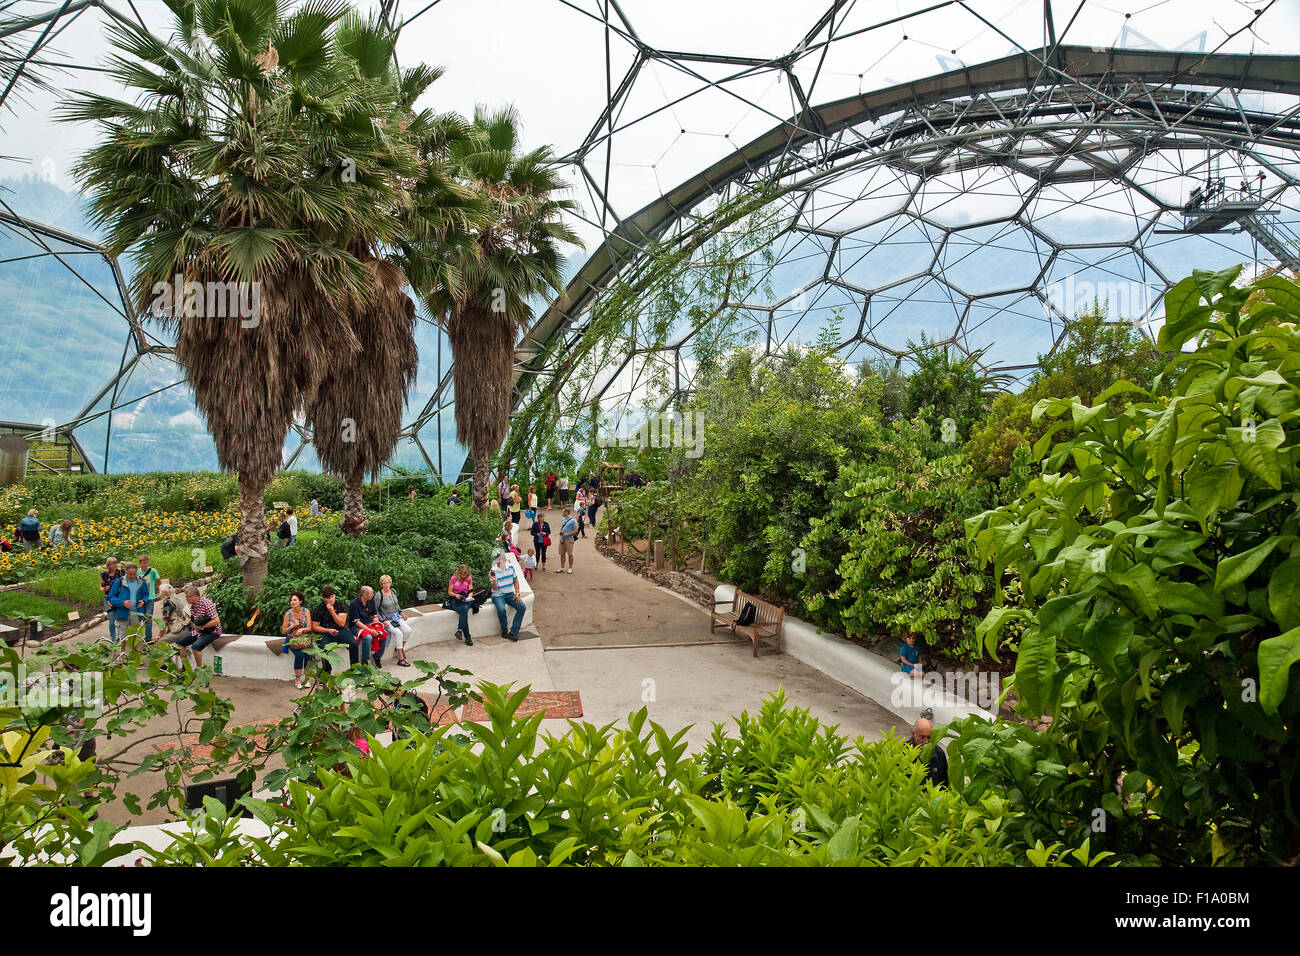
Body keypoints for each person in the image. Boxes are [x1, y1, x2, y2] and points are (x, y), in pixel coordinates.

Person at [312, 586, 359, 669]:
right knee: (323, 648)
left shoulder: (340, 605)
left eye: (332, 597)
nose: (331, 600)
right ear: (324, 599)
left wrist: (332, 611)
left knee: (353, 643)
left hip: (340, 631)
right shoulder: (319, 608)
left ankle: (355, 668)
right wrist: (328, 630)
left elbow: (341, 624)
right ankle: (327, 671)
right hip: (325, 633)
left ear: (334, 596)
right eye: (328, 598)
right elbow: (315, 627)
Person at [176, 586, 221, 667]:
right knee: (180, 643)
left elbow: (216, 621)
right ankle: (185, 667)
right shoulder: (193, 606)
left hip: (212, 632)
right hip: (199, 631)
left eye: (188, 597)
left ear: (196, 596)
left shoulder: (206, 604)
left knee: (196, 647)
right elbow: (194, 620)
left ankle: (199, 669)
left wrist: (202, 627)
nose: (186, 599)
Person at [108, 562, 151, 643]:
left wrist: (143, 601)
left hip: (137, 614)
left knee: (136, 639)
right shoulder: (119, 582)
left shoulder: (142, 581)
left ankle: (136, 654)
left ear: (137, 572)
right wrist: (122, 603)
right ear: (126, 572)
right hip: (122, 614)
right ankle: (121, 655)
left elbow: (146, 594)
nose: (132, 576)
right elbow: (111, 597)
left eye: (134, 574)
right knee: (122, 639)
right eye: (130, 574)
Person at [376, 574, 412, 667]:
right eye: (384, 583)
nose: (386, 585)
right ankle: (400, 659)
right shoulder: (379, 595)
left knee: (408, 630)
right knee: (398, 633)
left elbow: (396, 604)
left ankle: (399, 649)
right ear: (381, 584)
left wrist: (401, 612)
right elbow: (375, 610)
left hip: (396, 617)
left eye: (387, 582)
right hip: (387, 619)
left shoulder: (393, 591)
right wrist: (382, 620)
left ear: (390, 582)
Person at [282, 591, 314, 689]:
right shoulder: (288, 614)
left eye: (295, 600)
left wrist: (302, 629)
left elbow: (309, 627)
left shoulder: (306, 611)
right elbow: (284, 631)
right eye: (291, 600)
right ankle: (298, 680)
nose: (292, 602)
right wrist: (293, 626)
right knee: (299, 655)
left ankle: (307, 679)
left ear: (300, 601)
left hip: (305, 639)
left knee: (307, 654)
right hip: (293, 640)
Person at [348, 585, 387, 668]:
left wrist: (376, 619)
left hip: (369, 623)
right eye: (371, 594)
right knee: (368, 637)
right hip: (356, 627)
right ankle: (365, 660)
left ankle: (377, 656)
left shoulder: (371, 600)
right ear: (365, 595)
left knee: (383, 633)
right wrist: (370, 630)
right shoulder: (354, 604)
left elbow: (374, 614)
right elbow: (357, 622)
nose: (373, 595)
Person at [489, 553, 525, 641]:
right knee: (501, 609)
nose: (499, 564)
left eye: (500, 561)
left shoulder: (510, 568)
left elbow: (516, 581)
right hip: (498, 595)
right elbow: (495, 588)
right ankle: (504, 630)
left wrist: (517, 594)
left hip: (509, 594)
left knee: (522, 607)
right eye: (497, 562)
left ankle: (513, 632)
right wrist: (493, 580)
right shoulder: (493, 570)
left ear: (505, 561)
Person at [911, 708, 948, 787]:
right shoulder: (903, 751)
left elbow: (944, 782)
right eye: (922, 737)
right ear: (913, 734)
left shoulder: (939, 753)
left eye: (929, 737)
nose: (926, 742)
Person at [447, 565, 475, 646]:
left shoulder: (469, 578)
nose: (464, 577)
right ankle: (467, 637)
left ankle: (460, 630)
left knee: (464, 608)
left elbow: (471, 591)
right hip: (455, 598)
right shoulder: (453, 578)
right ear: (459, 573)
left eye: (466, 575)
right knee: (464, 610)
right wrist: (456, 595)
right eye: (463, 575)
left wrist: (469, 597)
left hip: (465, 598)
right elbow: (449, 592)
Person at [137, 553, 160, 643]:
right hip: (140, 598)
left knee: (148, 617)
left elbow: (158, 581)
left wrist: (153, 589)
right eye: (143, 563)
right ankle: (138, 636)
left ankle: (148, 637)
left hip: (150, 597)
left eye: (146, 563)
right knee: (139, 618)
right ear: (140, 563)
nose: (145, 565)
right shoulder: (137, 572)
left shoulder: (153, 571)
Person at [100, 557, 123, 642]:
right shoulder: (104, 575)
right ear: (108, 565)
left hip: (120, 598)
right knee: (112, 619)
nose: (114, 565)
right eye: (112, 564)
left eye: (115, 563)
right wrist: (105, 588)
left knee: (121, 618)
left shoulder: (121, 572)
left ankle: (121, 637)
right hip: (109, 599)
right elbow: (101, 587)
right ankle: (114, 639)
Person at [556, 506, 578, 573]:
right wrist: (560, 532)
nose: (562, 513)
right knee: (562, 554)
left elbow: (576, 530)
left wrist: (567, 534)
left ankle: (570, 568)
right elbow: (562, 527)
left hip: (569, 539)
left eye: (563, 512)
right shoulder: (563, 519)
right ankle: (562, 567)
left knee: (570, 554)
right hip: (562, 539)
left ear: (566, 512)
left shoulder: (573, 520)